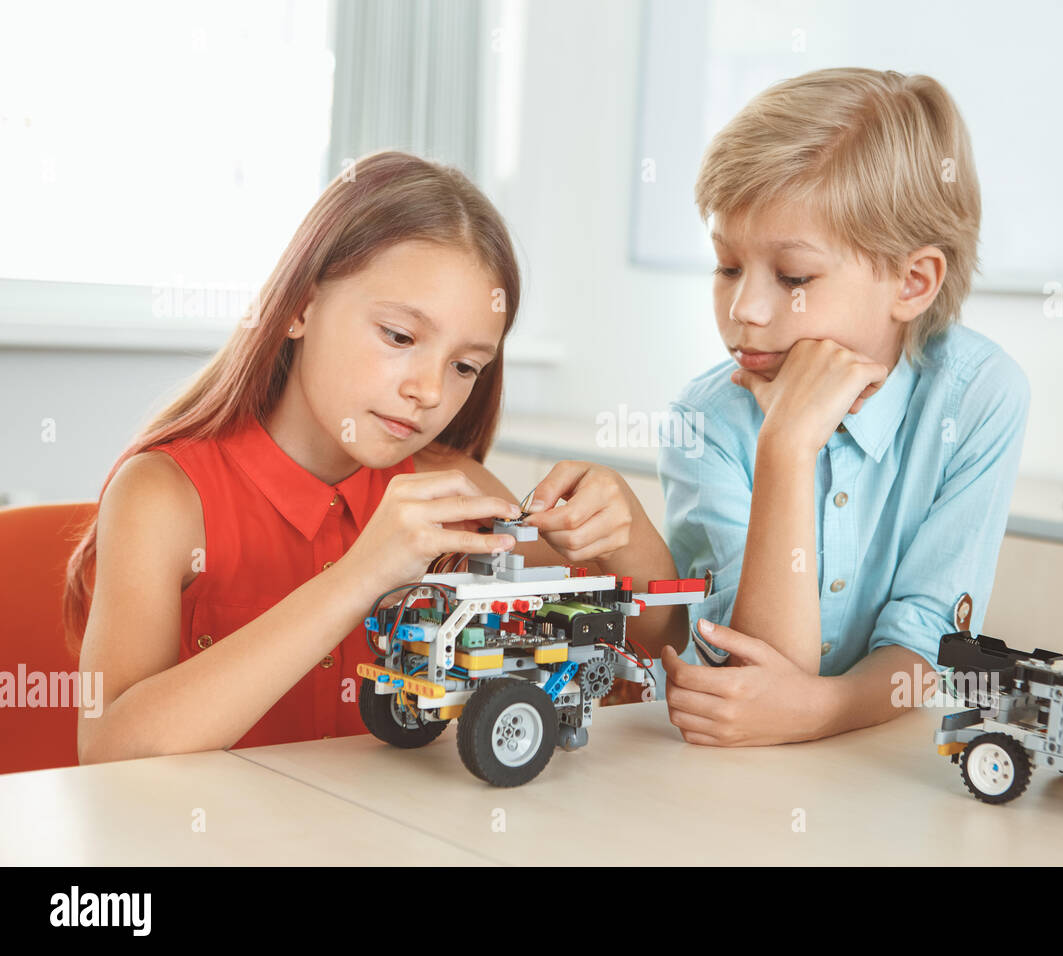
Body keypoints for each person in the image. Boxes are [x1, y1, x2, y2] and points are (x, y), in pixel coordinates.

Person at [65, 151, 677, 764]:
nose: (431, 392)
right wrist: (360, 576)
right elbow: (112, 749)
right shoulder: (164, 497)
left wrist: (623, 526)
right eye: (400, 337)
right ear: (301, 305)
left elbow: (660, 643)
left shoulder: (450, 488)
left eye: (465, 366)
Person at [651, 68, 1031, 747]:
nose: (746, 310)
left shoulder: (979, 397)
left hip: (869, 760)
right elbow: (754, 669)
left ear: (912, 282)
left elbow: (925, 643)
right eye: (728, 266)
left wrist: (822, 709)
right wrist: (786, 448)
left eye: (794, 278)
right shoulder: (704, 420)